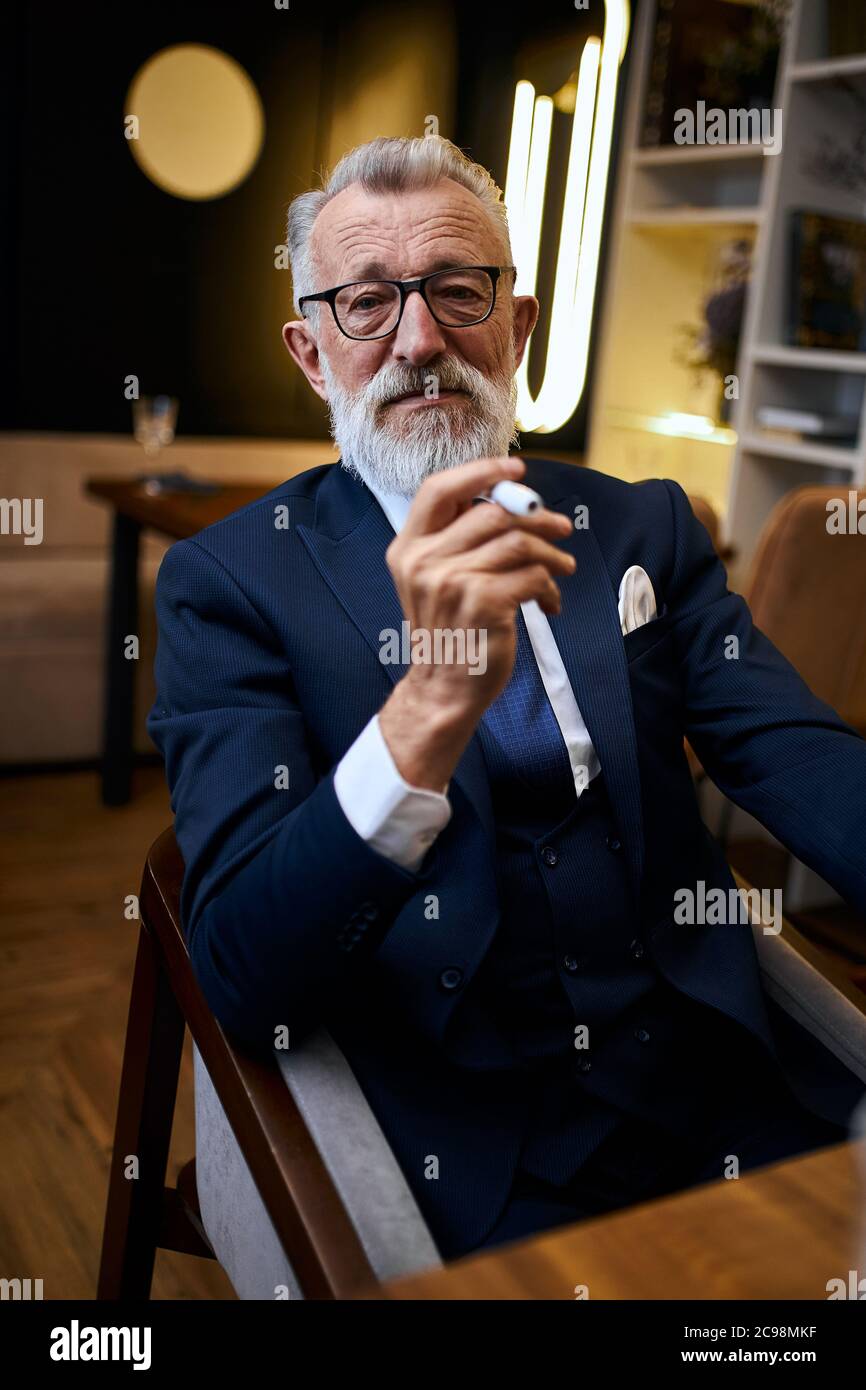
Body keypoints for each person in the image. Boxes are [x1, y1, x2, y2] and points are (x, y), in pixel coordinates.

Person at [148, 136, 866, 1261]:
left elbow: (799, 756)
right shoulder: (228, 585)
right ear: (309, 351)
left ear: (518, 325)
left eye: (456, 290)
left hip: (717, 1088)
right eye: (366, 304)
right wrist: (427, 706)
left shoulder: (640, 525)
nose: (421, 342)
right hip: (463, 1144)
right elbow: (241, 963)